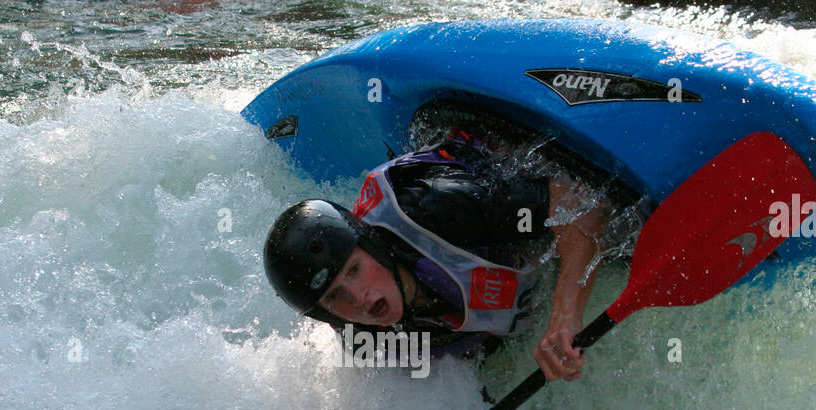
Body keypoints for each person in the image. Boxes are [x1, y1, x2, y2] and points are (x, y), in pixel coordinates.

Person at [262, 130, 615, 382]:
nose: (360, 299)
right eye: (335, 296)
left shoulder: (435, 210)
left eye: (355, 270)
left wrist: (565, 315)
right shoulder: (360, 338)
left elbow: (581, 205)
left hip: (488, 177)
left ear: (372, 247)